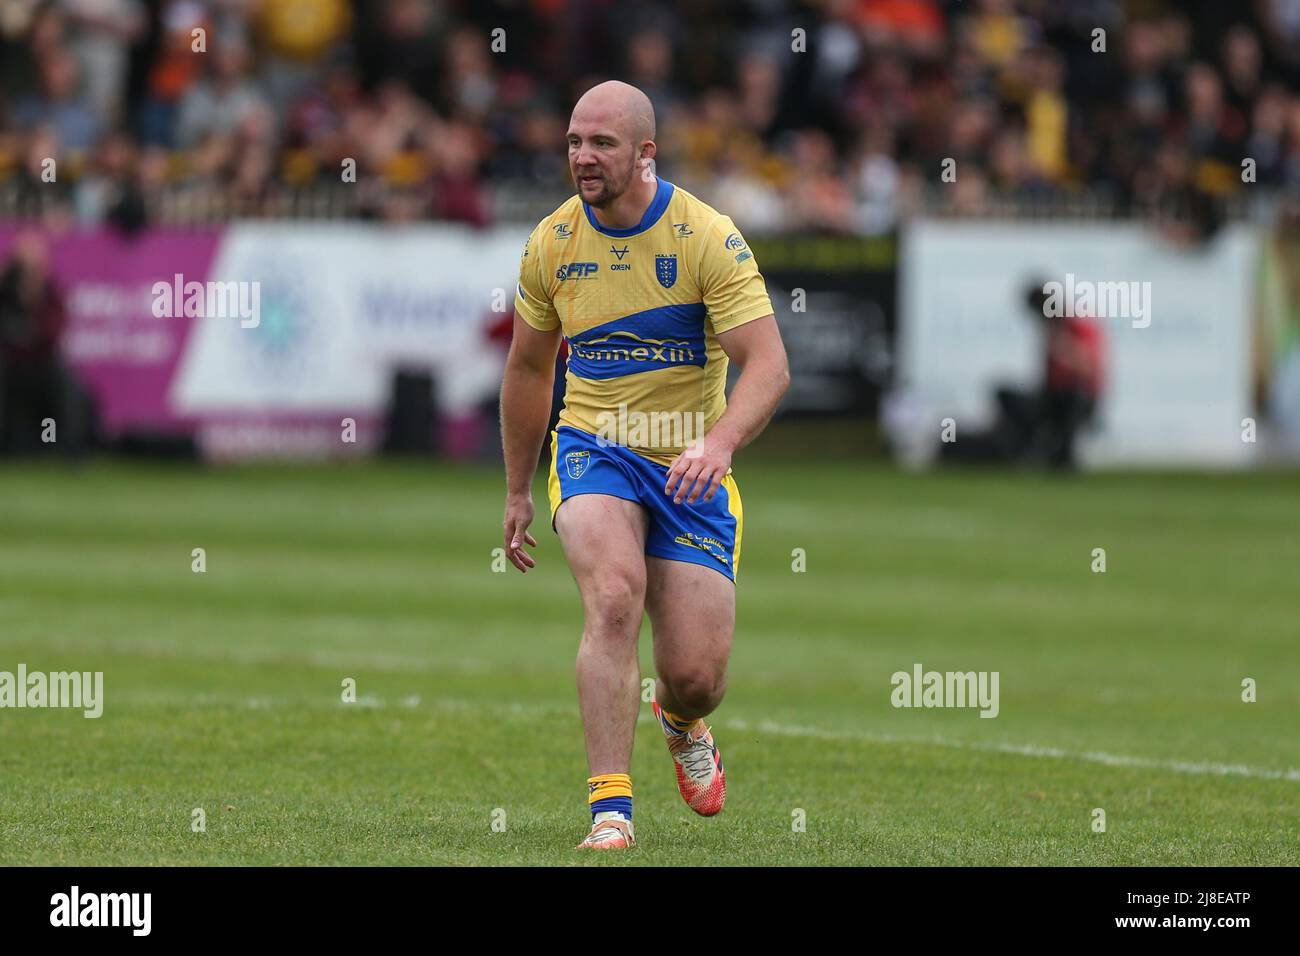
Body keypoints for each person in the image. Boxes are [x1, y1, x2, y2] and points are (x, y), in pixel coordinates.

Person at [499, 80, 790, 850]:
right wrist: (517, 489)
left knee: (697, 676)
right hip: (593, 448)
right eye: (572, 142)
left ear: (645, 152)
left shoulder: (707, 236)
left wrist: (719, 444)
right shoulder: (552, 243)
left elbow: (768, 366)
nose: (582, 157)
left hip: (690, 468)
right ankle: (610, 811)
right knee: (615, 597)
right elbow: (529, 372)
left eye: (601, 143)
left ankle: (680, 717)